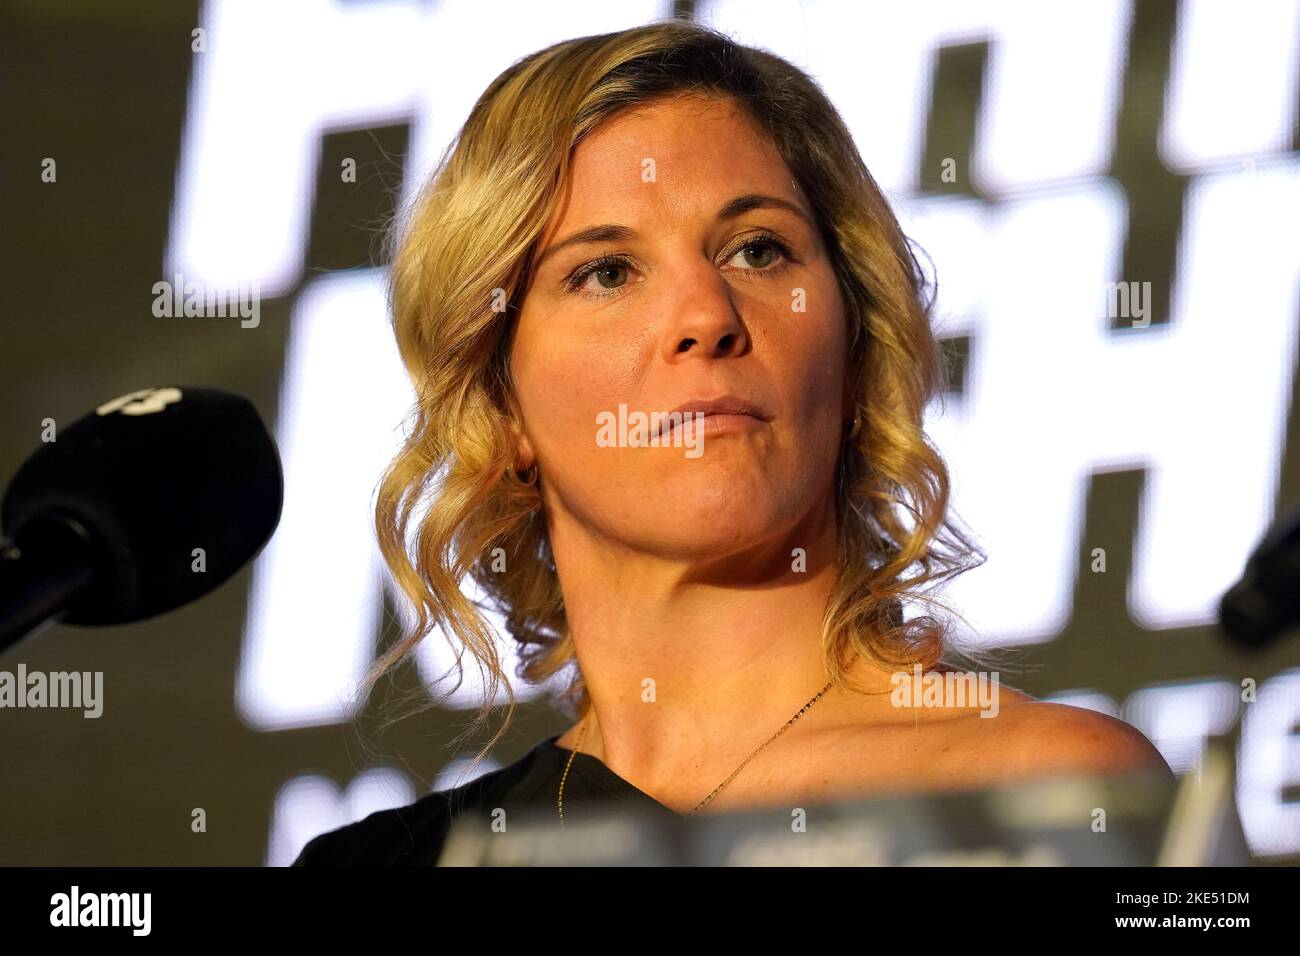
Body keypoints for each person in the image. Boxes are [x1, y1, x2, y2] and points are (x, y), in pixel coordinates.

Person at [294, 19, 1171, 866]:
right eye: (605, 272)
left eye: (758, 251)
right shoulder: (387, 865)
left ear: (854, 348)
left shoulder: (1048, 794)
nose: (707, 317)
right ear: (500, 400)